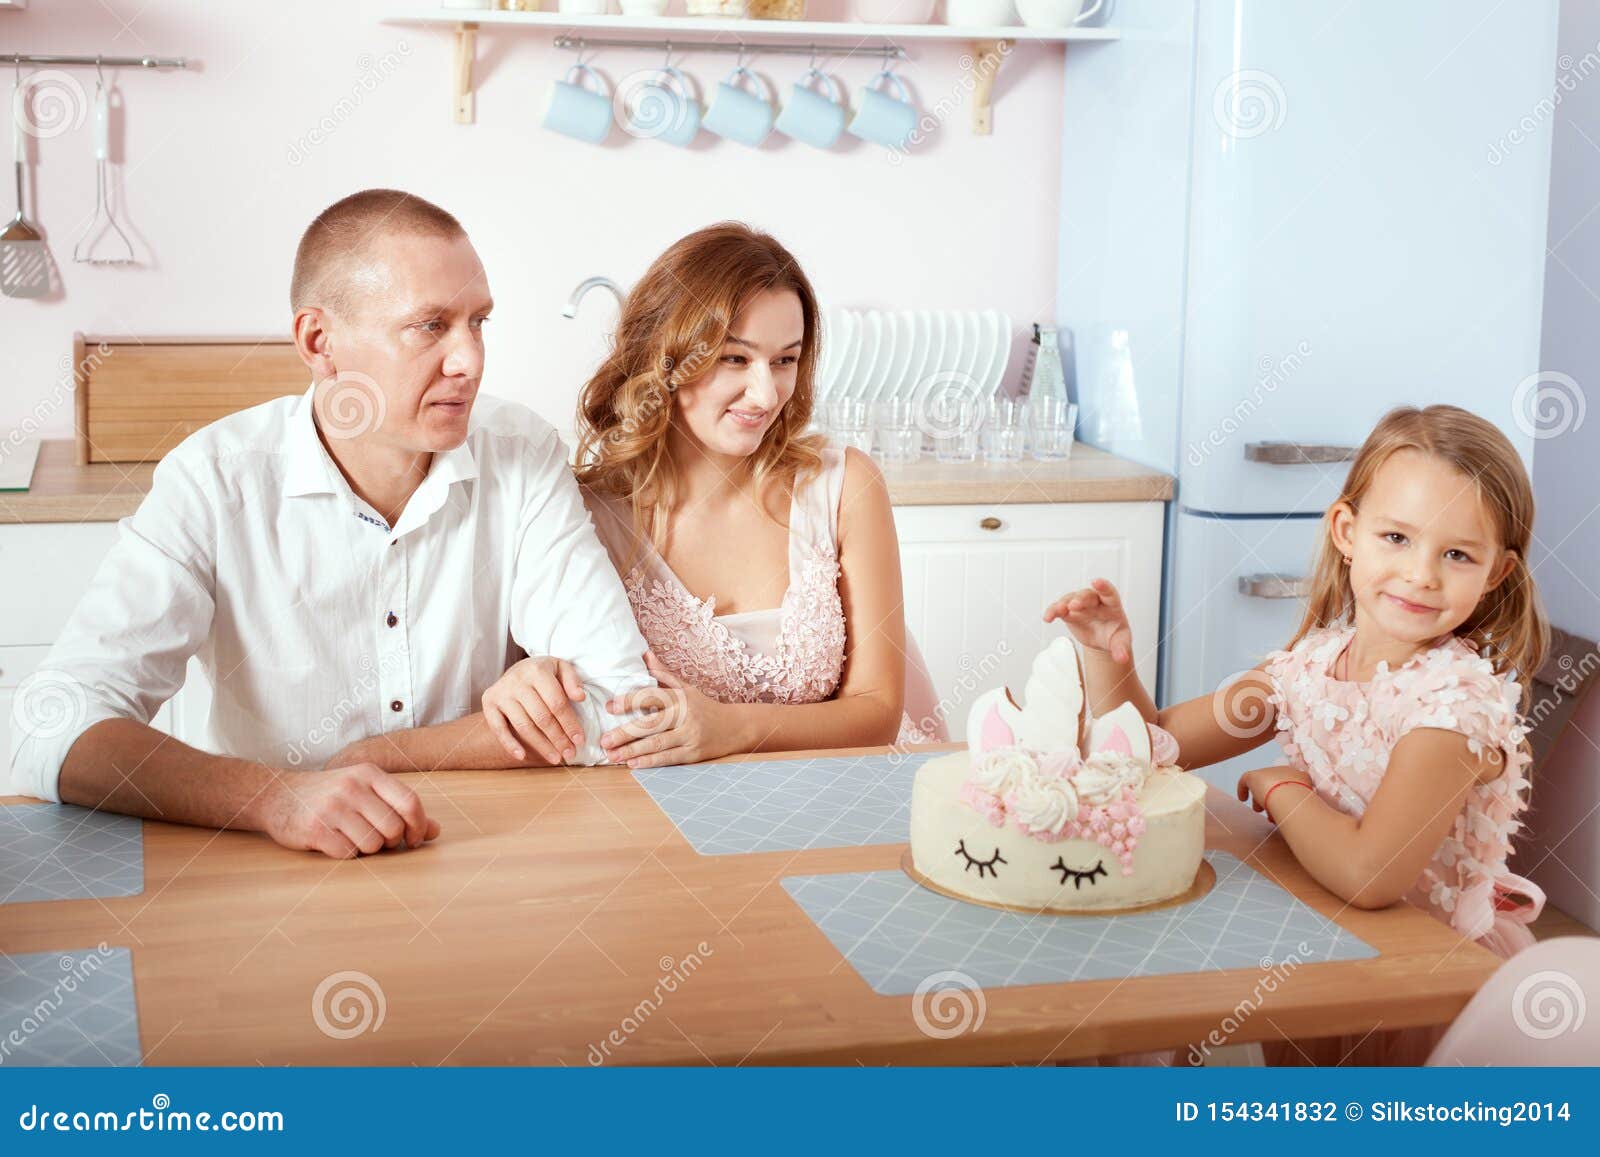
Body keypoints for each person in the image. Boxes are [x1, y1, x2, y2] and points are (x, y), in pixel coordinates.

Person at [8, 189, 652, 858]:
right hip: (270, 870)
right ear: (321, 342)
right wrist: (277, 797)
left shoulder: (521, 451)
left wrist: (375, 754)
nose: (469, 360)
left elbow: (625, 706)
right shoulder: (214, 479)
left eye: (478, 322)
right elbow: (48, 725)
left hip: (482, 853)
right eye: (430, 325)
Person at [1048, 404, 1548, 1065]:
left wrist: (1285, 787)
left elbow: (1372, 875)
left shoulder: (1453, 710)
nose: (1421, 573)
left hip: (1425, 981)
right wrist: (1106, 654)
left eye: (1456, 553)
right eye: (1396, 537)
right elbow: (1152, 742)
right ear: (1347, 529)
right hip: (1325, 944)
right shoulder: (1308, 666)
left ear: (1496, 572)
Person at [481, 222, 943, 769]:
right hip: (678, 810)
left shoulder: (844, 486)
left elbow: (879, 713)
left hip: (850, 787)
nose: (766, 393)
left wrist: (733, 728)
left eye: (785, 360)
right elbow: (560, 700)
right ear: (665, 358)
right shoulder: (584, 514)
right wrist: (522, 680)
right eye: (735, 358)